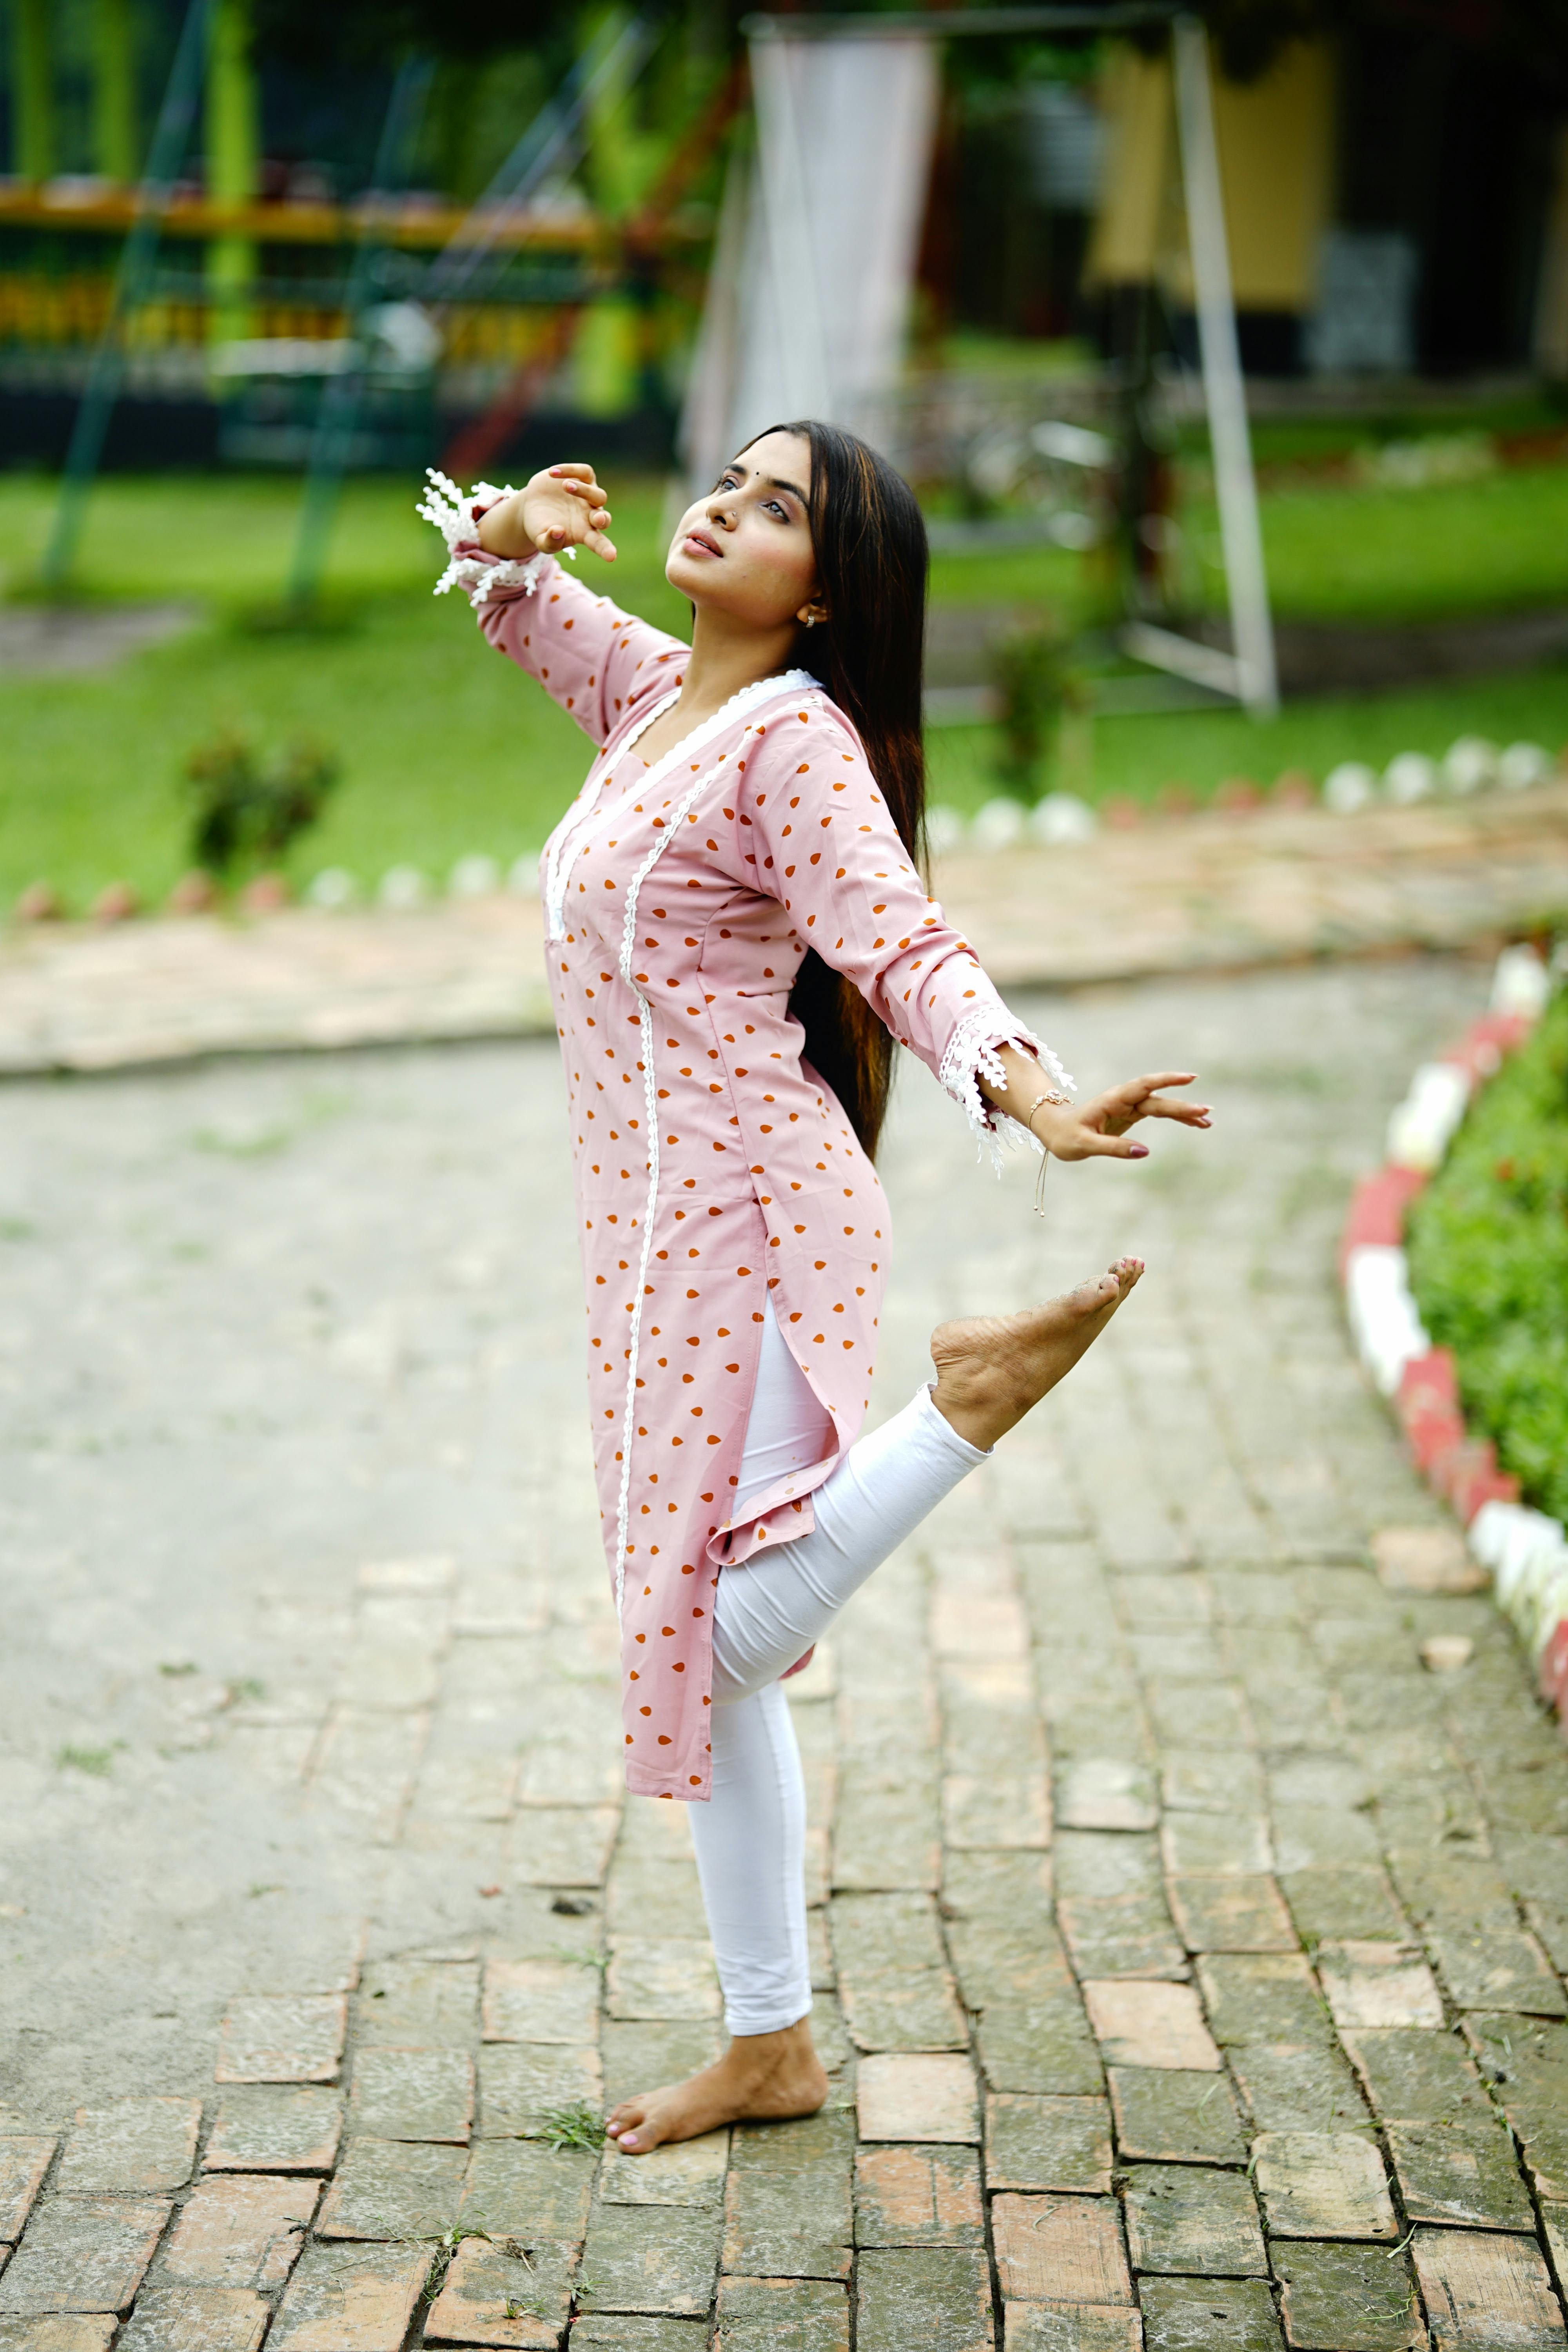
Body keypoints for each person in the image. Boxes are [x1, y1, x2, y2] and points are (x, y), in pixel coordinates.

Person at [419, 423, 1210, 2152]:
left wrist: (1033, 1090)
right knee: (722, 1660)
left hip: (746, 1222)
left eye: (779, 508)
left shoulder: (792, 741)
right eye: (730, 478)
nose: (722, 508)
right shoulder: (658, 700)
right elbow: (508, 591)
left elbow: (898, 943)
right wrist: (511, 517)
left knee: (707, 1630)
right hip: (644, 1240)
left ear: (829, 589)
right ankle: (769, 2045)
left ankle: (963, 1408)